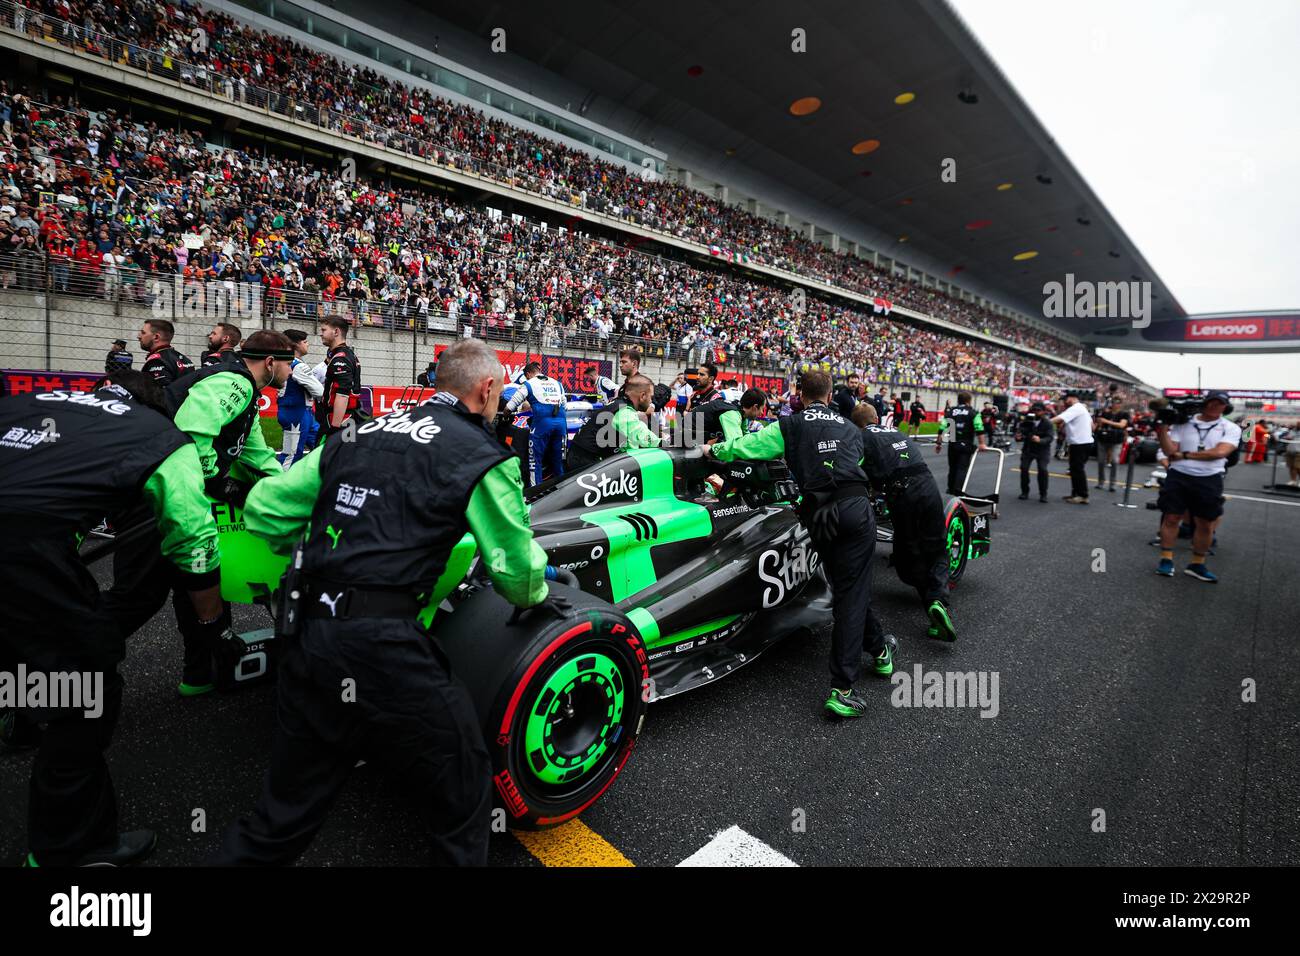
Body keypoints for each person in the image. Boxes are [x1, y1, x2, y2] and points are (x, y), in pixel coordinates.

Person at [211, 339, 553, 866]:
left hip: (308, 636)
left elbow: (265, 510)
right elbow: (517, 574)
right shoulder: (481, 455)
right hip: (383, 648)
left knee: (283, 814)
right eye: (500, 392)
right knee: (465, 785)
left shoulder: (356, 433)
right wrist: (542, 590)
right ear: (486, 389)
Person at [0, 370, 223, 866]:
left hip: (27, 546)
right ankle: (70, 848)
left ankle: (21, 710)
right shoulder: (162, 436)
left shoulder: (33, 401)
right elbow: (192, 538)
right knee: (87, 687)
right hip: (24, 550)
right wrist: (210, 625)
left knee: (25, 647)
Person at [104, 331, 294, 695]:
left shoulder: (246, 393)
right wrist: (220, 484)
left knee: (196, 583)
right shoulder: (234, 383)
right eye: (289, 363)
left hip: (168, 487)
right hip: (155, 491)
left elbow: (257, 455)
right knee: (137, 597)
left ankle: (199, 673)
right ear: (270, 363)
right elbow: (190, 435)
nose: (291, 370)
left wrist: (286, 490)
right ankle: (46, 671)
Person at [706, 371, 896, 718]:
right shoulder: (850, 427)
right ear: (829, 395)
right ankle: (842, 689)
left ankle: (880, 649)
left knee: (845, 586)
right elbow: (870, 467)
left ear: (799, 394)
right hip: (854, 507)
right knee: (852, 590)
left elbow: (743, 448)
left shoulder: (788, 425)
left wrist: (712, 448)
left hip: (818, 512)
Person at [851, 402, 956, 642]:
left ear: (856, 425)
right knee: (938, 549)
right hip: (929, 487)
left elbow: (854, 471)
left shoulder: (861, 438)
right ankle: (937, 601)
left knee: (909, 551)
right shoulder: (898, 432)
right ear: (877, 417)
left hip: (902, 494)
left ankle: (930, 600)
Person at [1154, 391, 1241, 582]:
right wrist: (1161, 429)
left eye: (1219, 404)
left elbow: (1219, 452)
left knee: (1205, 523)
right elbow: (1169, 451)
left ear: (1225, 407)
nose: (1214, 406)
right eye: (1211, 402)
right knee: (1171, 517)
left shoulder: (1231, 428)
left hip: (1209, 478)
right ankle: (1166, 559)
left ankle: (1197, 564)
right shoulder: (1183, 422)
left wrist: (1185, 455)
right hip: (1178, 475)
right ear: (1205, 403)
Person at [567, 373, 660, 470]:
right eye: (651, 397)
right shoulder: (624, 411)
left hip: (581, 455)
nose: (651, 401)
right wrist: (664, 443)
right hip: (584, 461)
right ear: (643, 396)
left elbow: (635, 428)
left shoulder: (619, 404)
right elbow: (642, 437)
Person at [507, 361, 568, 483]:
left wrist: (505, 414)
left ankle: (536, 492)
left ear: (528, 374)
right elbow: (565, 405)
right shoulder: (557, 383)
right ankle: (562, 490)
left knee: (535, 461)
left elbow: (510, 406)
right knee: (558, 460)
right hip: (561, 424)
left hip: (542, 424)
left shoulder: (528, 384)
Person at [277, 329, 324, 470]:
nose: (308, 344)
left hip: (299, 412)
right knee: (291, 454)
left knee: (321, 446)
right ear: (296, 345)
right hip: (296, 413)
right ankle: (280, 485)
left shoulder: (286, 362)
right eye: (305, 341)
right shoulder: (297, 365)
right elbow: (319, 391)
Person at [317, 316, 363, 438]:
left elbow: (342, 394)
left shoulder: (341, 358)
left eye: (323, 330)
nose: (320, 334)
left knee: (328, 455)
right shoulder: (347, 354)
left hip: (339, 420)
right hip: (347, 418)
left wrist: (334, 428)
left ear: (336, 332)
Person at [936, 391, 986, 495]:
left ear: (958, 400)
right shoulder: (973, 412)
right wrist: (982, 443)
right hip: (966, 442)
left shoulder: (951, 411)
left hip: (953, 442)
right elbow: (979, 428)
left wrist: (938, 443)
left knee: (953, 467)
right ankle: (958, 490)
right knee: (962, 468)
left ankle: (950, 489)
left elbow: (942, 427)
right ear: (969, 401)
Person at [1051, 393, 1095, 504]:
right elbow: (1092, 425)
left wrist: (1044, 423)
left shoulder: (1076, 408)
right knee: (1074, 470)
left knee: (1078, 470)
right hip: (1080, 442)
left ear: (1072, 398)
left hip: (1080, 443)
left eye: (1066, 399)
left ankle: (1083, 495)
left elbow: (1059, 418)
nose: (1065, 402)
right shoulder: (1081, 408)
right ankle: (1076, 494)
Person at [686, 384, 758, 445]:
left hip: (697, 428)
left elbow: (746, 438)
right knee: (722, 441)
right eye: (761, 409)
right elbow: (735, 445)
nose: (761, 413)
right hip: (687, 436)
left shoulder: (742, 412)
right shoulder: (732, 413)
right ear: (755, 407)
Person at [137, 318, 194, 387]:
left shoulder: (156, 361)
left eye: (143, 333)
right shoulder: (186, 360)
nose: (139, 336)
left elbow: (161, 395)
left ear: (156, 337)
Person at [1017, 401, 1054, 502]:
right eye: (1034, 410)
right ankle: (1024, 492)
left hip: (1042, 450)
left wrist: (1040, 440)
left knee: (1042, 469)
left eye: (1038, 410)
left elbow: (1050, 438)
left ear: (1043, 412)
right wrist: (1018, 437)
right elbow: (1020, 433)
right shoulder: (1027, 421)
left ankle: (1043, 494)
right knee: (1024, 468)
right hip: (1028, 448)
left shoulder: (1047, 423)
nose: (1036, 412)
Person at [1093, 397, 1130, 492]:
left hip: (1116, 440)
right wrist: (1099, 423)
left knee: (1114, 460)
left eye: (1117, 403)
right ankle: (1101, 482)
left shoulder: (1124, 414)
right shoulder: (1105, 413)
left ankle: (1112, 484)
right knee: (1101, 461)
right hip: (1103, 439)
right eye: (1113, 402)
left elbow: (1122, 425)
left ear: (1121, 404)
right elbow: (1099, 423)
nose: (1115, 405)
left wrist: (1106, 421)